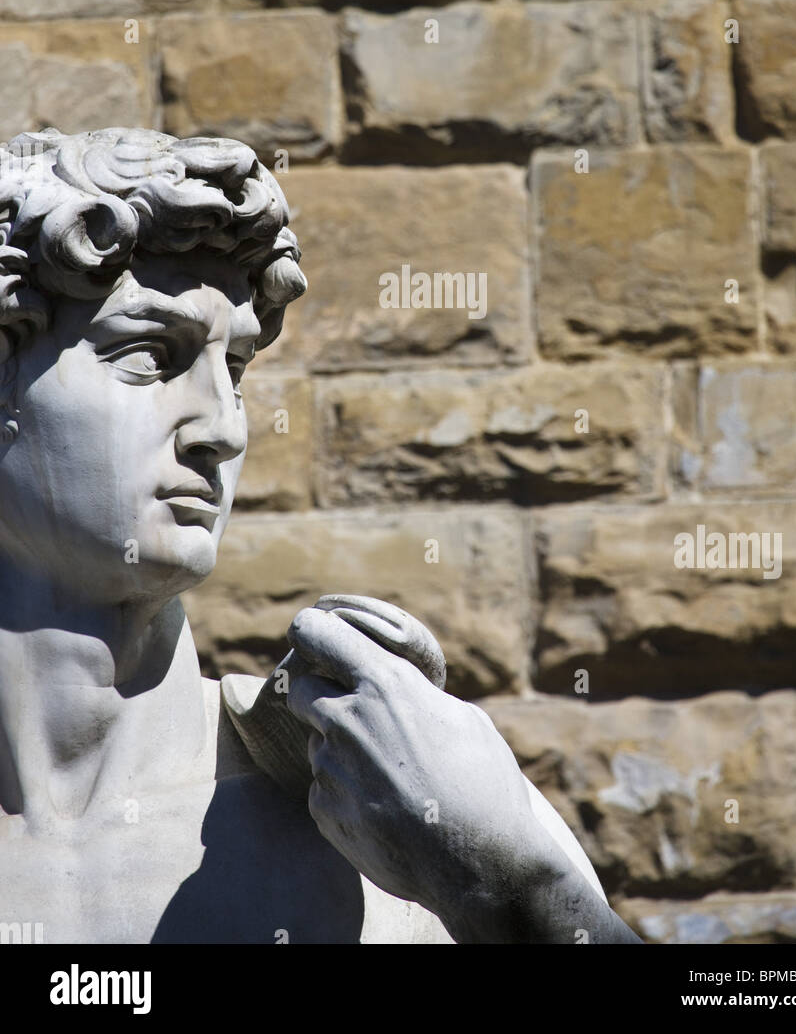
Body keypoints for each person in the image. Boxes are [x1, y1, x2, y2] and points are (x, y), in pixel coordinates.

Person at [0, 126, 639, 944]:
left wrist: (515, 892)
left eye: (231, 371)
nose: (223, 431)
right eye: (154, 357)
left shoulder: (388, 802)